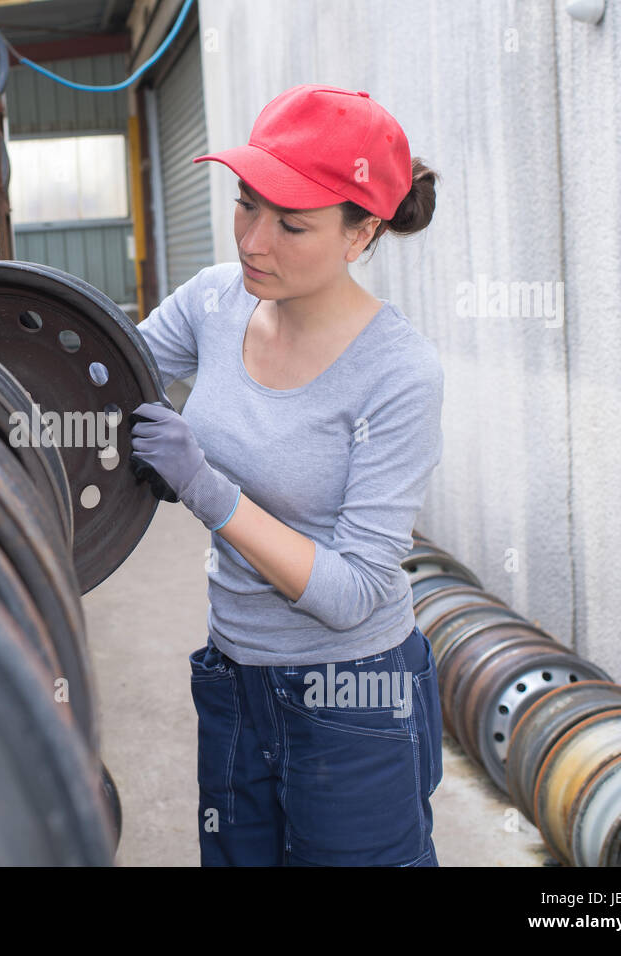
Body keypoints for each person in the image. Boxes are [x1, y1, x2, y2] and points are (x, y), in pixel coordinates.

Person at [129, 84, 445, 866]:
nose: (253, 242)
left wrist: (205, 489)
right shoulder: (214, 301)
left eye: (292, 224)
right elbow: (93, 373)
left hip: (355, 697)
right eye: (247, 204)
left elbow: (353, 593)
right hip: (234, 679)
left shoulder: (399, 374)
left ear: (361, 232)